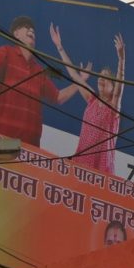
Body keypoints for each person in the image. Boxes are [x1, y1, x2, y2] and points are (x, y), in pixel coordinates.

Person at [0, 15, 81, 147]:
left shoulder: (39, 71)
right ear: (16, 34)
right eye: (26, 28)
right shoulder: (7, 53)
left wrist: (80, 82)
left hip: (32, 150)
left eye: (33, 29)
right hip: (6, 144)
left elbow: (58, 97)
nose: (31, 31)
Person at [50, 26, 126, 174]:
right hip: (81, 165)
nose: (101, 79)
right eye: (100, 76)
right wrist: (59, 47)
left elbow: (119, 90)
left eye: (106, 78)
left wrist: (121, 59)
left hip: (102, 172)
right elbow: (74, 75)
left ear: (113, 86)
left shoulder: (113, 108)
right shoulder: (91, 99)